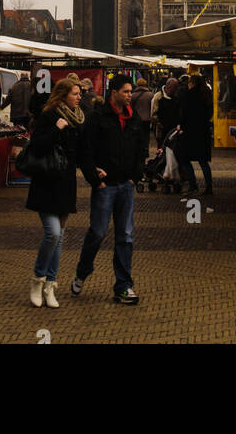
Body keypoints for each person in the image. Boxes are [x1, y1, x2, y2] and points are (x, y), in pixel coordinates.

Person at [71, 73, 145, 304]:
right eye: (125, 92)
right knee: (98, 232)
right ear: (113, 93)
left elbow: (141, 150)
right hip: (105, 186)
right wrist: (95, 178)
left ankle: (123, 286)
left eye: (130, 91)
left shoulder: (135, 120)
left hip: (125, 185)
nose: (129, 95)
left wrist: (135, 176)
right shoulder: (97, 119)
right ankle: (83, 271)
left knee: (126, 235)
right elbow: (85, 151)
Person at [26, 76, 88, 309]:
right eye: (75, 93)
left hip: (66, 182)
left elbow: (80, 152)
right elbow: (37, 146)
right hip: (47, 181)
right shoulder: (49, 116)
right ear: (63, 96)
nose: (79, 97)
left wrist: (95, 170)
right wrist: (55, 129)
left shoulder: (79, 119)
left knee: (60, 238)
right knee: (52, 233)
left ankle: (50, 285)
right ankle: (37, 279)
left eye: (80, 93)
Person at [178, 72, 213, 196]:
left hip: (190, 132)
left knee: (184, 159)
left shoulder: (188, 95)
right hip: (203, 132)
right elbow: (210, 113)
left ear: (191, 83)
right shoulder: (206, 94)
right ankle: (209, 187)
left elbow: (184, 113)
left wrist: (181, 125)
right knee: (203, 161)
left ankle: (193, 185)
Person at [130, 77, 153, 146]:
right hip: (147, 119)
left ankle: (138, 149)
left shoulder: (133, 95)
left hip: (136, 119)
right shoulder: (150, 95)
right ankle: (145, 149)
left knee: (137, 135)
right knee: (146, 135)